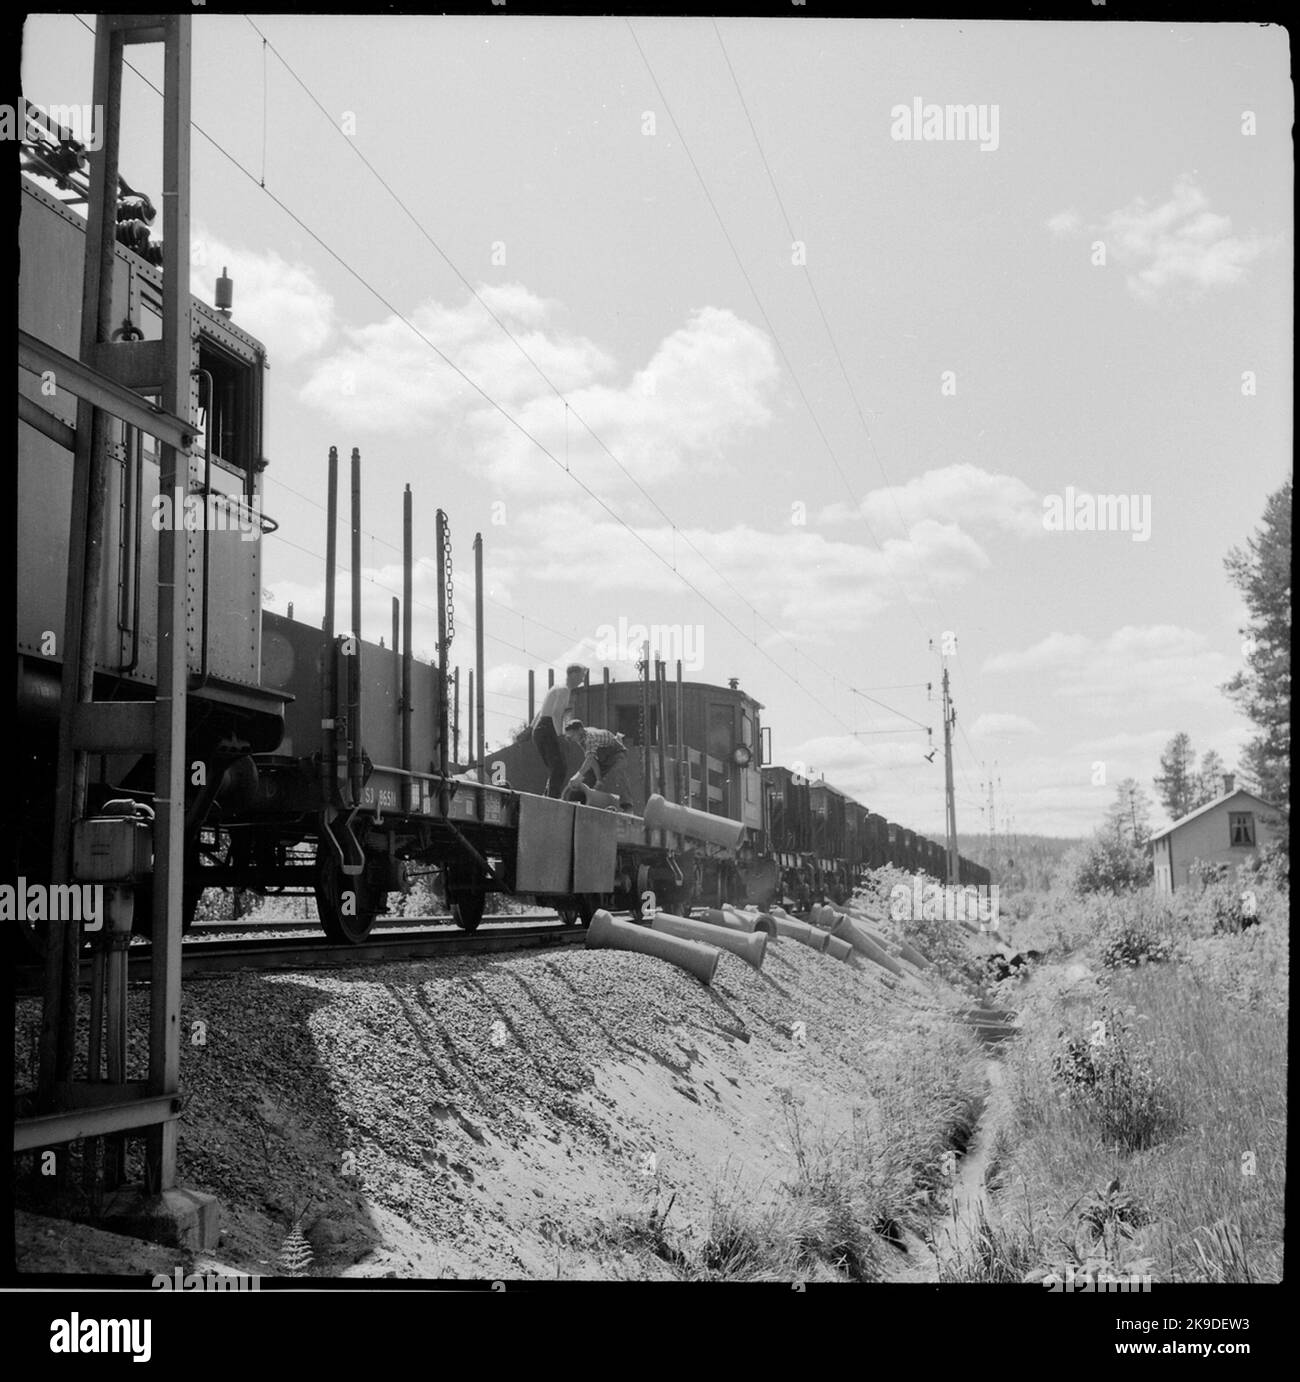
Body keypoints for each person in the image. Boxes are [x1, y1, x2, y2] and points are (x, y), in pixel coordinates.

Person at [531, 664, 586, 797]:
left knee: (555, 768)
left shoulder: (556, 687)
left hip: (540, 729)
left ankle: (547, 796)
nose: (582, 680)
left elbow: (540, 713)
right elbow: (556, 714)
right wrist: (561, 737)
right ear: (573, 674)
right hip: (547, 728)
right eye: (581, 676)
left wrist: (531, 728)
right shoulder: (564, 690)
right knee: (559, 768)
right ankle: (552, 800)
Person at [563, 719, 634, 810]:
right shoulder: (580, 739)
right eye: (569, 737)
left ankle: (628, 807)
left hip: (616, 754)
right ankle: (581, 807)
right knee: (587, 779)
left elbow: (590, 758)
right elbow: (592, 761)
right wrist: (598, 779)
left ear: (580, 730)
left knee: (618, 773)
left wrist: (578, 775)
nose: (571, 739)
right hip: (602, 759)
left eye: (572, 735)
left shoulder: (590, 736)